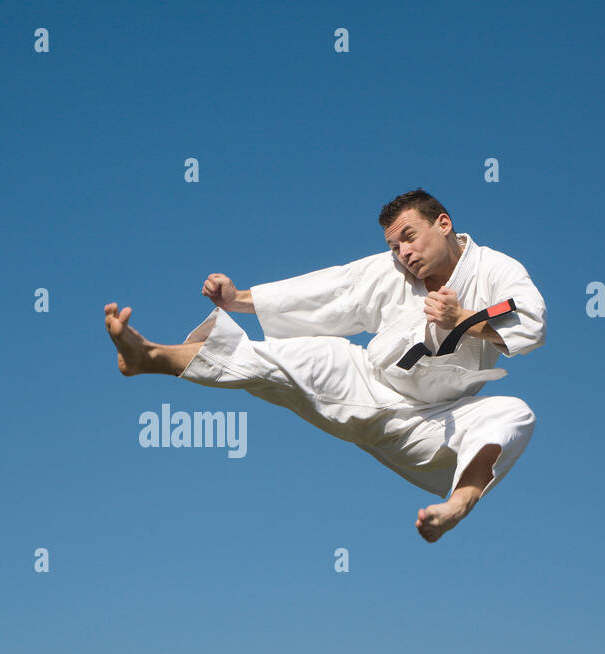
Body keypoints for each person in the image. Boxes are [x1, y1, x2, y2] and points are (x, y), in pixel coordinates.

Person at [104, 188, 546, 542]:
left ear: (444, 224)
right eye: (394, 246)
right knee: (290, 357)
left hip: (433, 422)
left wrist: (462, 320)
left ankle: (458, 504)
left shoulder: (495, 270)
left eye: (409, 236)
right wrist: (238, 300)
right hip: (369, 385)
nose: (402, 253)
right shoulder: (389, 273)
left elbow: (531, 323)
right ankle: (152, 356)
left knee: (515, 414)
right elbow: (331, 291)